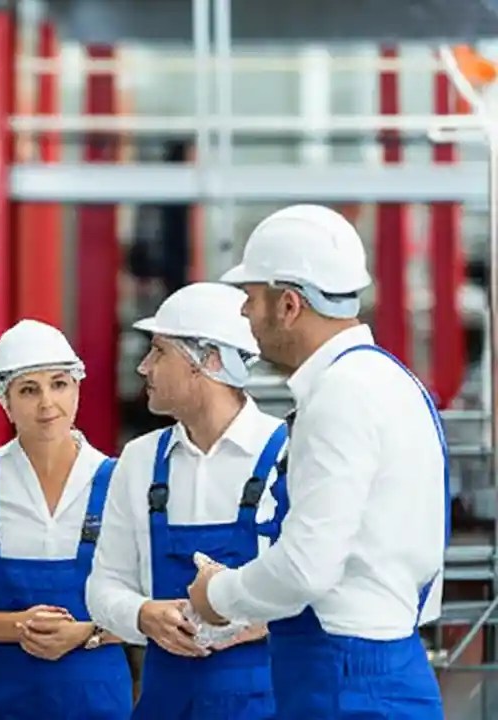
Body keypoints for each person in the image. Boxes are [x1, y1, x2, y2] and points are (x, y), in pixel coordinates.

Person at [186, 204, 450, 719]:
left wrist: (218, 595)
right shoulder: (389, 380)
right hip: (377, 663)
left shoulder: (340, 396)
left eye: (250, 298)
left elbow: (308, 567)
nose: (242, 313)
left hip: (342, 681)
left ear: (288, 305)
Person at [85, 282, 286, 719]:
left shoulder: (288, 455)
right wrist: (142, 614)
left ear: (208, 361)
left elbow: (325, 581)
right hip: (165, 702)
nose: (143, 367)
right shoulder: (139, 461)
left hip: (270, 701)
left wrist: (262, 621)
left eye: (159, 351)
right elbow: (102, 587)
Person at [0, 319, 133, 720]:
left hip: (99, 706)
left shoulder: (123, 481)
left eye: (59, 383)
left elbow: (156, 606)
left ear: (78, 387)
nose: (47, 403)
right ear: (5, 399)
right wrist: (20, 625)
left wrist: (86, 633)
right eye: (28, 390)